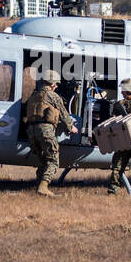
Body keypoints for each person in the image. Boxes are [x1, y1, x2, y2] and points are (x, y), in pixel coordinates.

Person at [24, 69, 76, 197]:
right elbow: (64, 114)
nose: (57, 86)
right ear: (52, 84)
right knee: (53, 160)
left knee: (44, 160)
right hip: (45, 130)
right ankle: (43, 186)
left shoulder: (33, 95)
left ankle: (39, 185)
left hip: (31, 131)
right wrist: (71, 127)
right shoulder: (53, 96)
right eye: (56, 84)